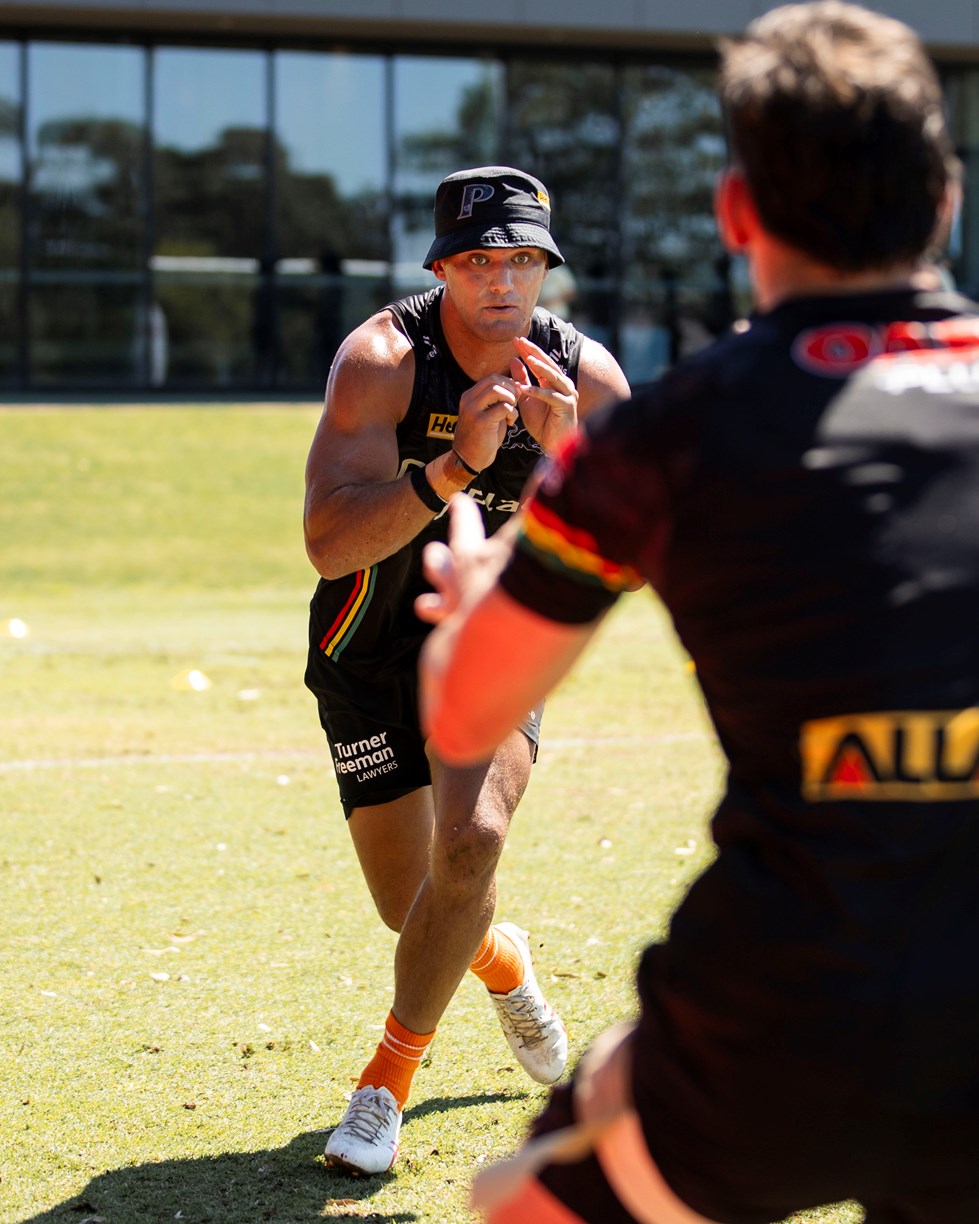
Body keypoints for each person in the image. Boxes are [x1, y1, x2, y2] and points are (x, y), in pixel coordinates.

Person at [418, 6, 979, 1222]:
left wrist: (469, 603)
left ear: (736, 215)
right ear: (941, 201)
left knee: (518, 1199)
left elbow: (469, 711)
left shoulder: (669, 433)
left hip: (785, 1013)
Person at [302, 164, 630, 1176]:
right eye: (481, 259)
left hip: (495, 641)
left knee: (474, 840)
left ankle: (382, 1085)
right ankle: (501, 960)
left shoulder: (593, 383)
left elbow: (627, 556)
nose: (504, 280)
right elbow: (326, 545)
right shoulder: (383, 359)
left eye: (523, 259)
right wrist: (449, 469)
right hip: (366, 647)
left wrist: (567, 465)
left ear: (547, 272)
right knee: (418, 909)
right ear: (441, 266)